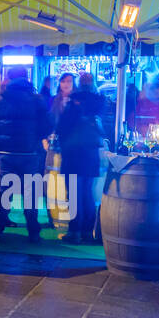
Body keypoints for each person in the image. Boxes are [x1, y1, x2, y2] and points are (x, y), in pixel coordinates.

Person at [0, 68, 53, 242]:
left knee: (2, 193)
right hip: (29, 153)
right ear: (27, 78)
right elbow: (46, 127)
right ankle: (33, 232)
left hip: (4, 154)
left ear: (9, 78)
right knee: (30, 193)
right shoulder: (37, 101)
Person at [53, 83, 105, 243]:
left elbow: (61, 129)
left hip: (73, 157)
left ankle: (74, 232)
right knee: (87, 194)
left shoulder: (72, 110)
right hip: (91, 157)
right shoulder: (95, 113)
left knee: (74, 195)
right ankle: (87, 232)